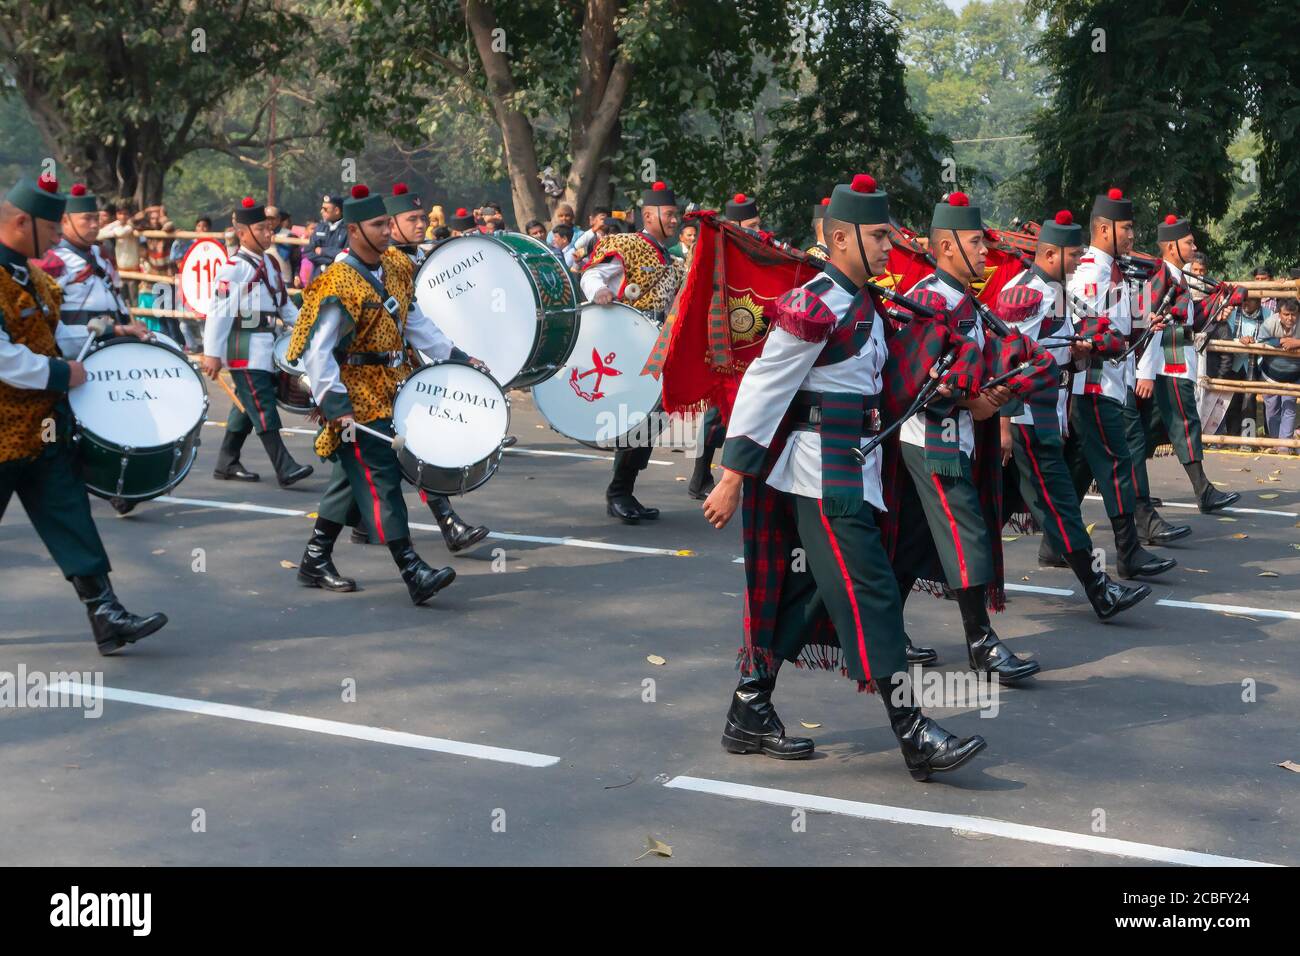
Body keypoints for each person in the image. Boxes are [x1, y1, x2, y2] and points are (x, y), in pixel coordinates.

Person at [702, 172, 986, 780]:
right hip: (822, 470)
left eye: (889, 235)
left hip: (857, 465)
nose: (889, 247)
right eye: (879, 236)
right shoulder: (815, 303)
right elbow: (764, 385)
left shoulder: (868, 304)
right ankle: (913, 732)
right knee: (872, 593)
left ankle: (749, 705)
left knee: (808, 596)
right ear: (839, 238)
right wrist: (731, 475)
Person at [285, 183, 479, 604]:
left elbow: (415, 324)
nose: (387, 230)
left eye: (386, 223)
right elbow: (318, 354)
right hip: (355, 395)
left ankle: (315, 559)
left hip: (394, 387)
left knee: (349, 480)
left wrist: (458, 357)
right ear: (354, 230)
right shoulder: (338, 282)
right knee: (381, 479)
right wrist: (336, 407)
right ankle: (412, 569)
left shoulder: (394, 270)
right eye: (377, 225)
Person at [0, 173, 167, 654]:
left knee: (71, 515)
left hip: (41, 428)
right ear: (19, 222)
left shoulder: (32, 278)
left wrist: (114, 334)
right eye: (51, 228)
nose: (57, 237)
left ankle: (106, 614)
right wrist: (58, 374)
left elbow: (53, 340)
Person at [893, 191, 1038, 681]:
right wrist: (971, 402)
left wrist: (999, 397)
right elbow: (919, 379)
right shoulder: (929, 301)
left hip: (958, 436)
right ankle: (981, 643)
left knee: (912, 540)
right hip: (932, 438)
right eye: (976, 242)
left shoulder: (967, 303)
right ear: (947, 246)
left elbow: (985, 367)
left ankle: (883, 633)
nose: (983, 252)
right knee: (967, 531)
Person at [996, 211, 1149, 618]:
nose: (1079, 259)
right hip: (1029, 416)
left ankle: (957, 571)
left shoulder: (1057, 292)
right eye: (1072, 253)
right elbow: (1009, 364)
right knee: (1062, 504)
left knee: (1002, 503)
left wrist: (1079, 353)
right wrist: (1004, 426)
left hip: (1050, 411)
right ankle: (1100, 590)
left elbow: (1058, 350)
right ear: (1049, 253)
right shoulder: (1026, 294)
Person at [347, 181, 491, 554]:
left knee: (394, 452)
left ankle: (358, 526)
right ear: (387, 225)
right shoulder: (344, 271)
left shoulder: (399, 264)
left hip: (397, 373)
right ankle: (437, 529)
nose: (421, 224)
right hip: (362, 385)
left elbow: (416, 323)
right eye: (412, 218)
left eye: (423, 217)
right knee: (392, 452)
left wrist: (457, 356)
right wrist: (328, 395)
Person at [1063, 188, 1180, 577]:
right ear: (1103, 229)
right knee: (1117, 465)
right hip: (1094, 386)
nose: (1132, 235)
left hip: (1112, 383)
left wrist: (1147, 326)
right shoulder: (1090, 272)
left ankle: (1053, 543)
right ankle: (1128, 552)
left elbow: (1123, 326)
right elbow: (1083, 332)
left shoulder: (1114, 271)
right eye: (1126, 228)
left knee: (1084, 463)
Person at [580, 180, 684, 523]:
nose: (674, 220)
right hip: (626, 347)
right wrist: (599, 293)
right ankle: (618, 492)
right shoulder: (625, 244)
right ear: (648, 214)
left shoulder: (669, 255)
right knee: (634, 419)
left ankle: (625, 489)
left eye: (676, 214)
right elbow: (592, 276)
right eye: (669, 214)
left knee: (651, 420)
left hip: (656, 349)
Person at [201, 196, 313, 488]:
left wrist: (306, 329)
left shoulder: (270, 263)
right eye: (262, 229)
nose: (268, 234)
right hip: (243, 346)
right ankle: (284, 466)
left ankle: (227, 460)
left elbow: (284, 304)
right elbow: (219, 311)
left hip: (266, 343)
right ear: (242, 233)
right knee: (261, 403)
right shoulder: (233, 268)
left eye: (269, 228)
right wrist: (212, 354)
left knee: (247, 402)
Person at [1134, 214, 1238, 512]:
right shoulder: (1160, 277)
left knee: (1151, 431)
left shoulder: (1178, 277)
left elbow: (1193, 319)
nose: (1194, 247)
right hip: (1168, 363)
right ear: (1170, 247)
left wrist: (1222, 300)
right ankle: (1203, 490)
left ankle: (1133, 491)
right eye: (1188, 242)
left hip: (1175, 360)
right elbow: (1147, 324)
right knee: (1185, 422)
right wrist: (1145, 373)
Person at [1220, 291, 1269, 444]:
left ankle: (1248, 439)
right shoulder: (1234, 313)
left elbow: (1272, 337)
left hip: (1258, 362)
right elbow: (1225, 334)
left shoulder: (1268, 314)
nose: (1245, 303)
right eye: (1244, 300)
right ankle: (1233, 437)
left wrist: (1257, 342)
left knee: (1250, 401)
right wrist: (1238, 341)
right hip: (1235, 360)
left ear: (1259, 302)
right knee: (1233, 399)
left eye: (1250, 300)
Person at [1260, 297, 1300, 453]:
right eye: (1286, 314)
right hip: (1270, 374)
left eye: (1294, 314)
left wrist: (1297, 343)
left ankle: (1285, 446)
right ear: (1279, 314)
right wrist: (1280, 341)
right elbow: (1260, 340)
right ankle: (1277, 442)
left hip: (1295, 375)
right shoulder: (1270, 323)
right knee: (1272, 409)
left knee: (1289, 407)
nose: (1290, 318)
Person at [307, 194, 346, 281]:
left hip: (338, 278)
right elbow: (309, 251)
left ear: (336, 210)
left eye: (325, 209)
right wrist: (331, 259)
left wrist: (323, 251)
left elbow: (346, 253)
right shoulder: (320, 227)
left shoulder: (348, 229)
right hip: (317, 276)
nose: (321, 211)